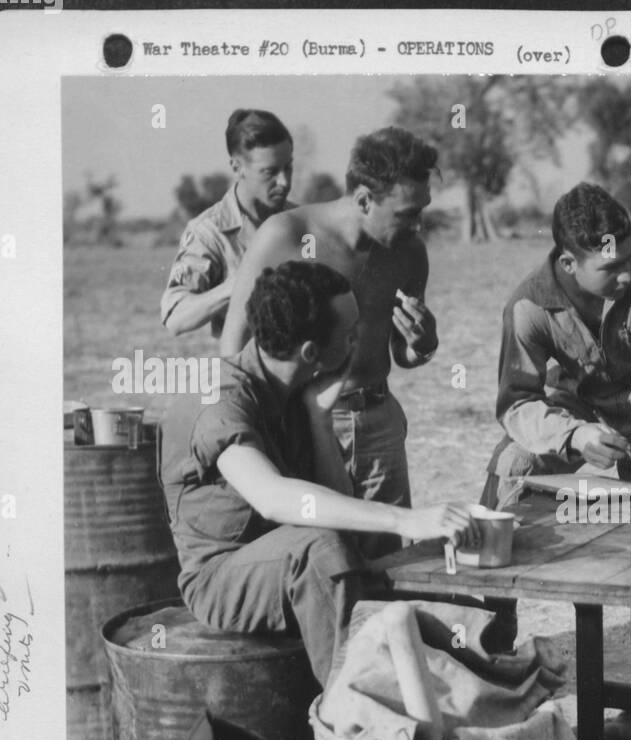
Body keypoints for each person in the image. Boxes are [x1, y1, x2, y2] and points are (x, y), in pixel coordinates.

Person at [160, 260, 478, 686]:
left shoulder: (294, 392)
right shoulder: (219, 394)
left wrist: (319, 419)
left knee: (419, 589)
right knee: (320, 548)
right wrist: (403, 518)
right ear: (311, 352)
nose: (358, 343)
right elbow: (272, 497)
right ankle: (353, 716)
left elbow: (333, 499)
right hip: (221, 578)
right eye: (348, 334)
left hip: (290, 559)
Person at [480, 183, 631, 739]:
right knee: (509, 469)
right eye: (611, 268)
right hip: (574, 417)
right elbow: (515, 404)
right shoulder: (527, 306)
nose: (627, 276)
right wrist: (572, 434)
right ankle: (494, 653)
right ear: (568, 262)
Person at [220, 127, 441, 544]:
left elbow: (404, 353)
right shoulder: (284, 236)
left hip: (378, 421)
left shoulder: (409, 252)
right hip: (304, 425)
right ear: (362, 200)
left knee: (389, 556)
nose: (418, 225)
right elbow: (232, 348)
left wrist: (423, 343)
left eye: (421, 210)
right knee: (322, 551)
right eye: (407, 213)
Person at [161, 109, 295, 338]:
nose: (284, 182)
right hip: (244, 367)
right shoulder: (208, 232)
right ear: (237, 167)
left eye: (288, 168)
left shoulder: (302, 221)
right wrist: (238, 286)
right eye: (270, 172)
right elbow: (175, 317)